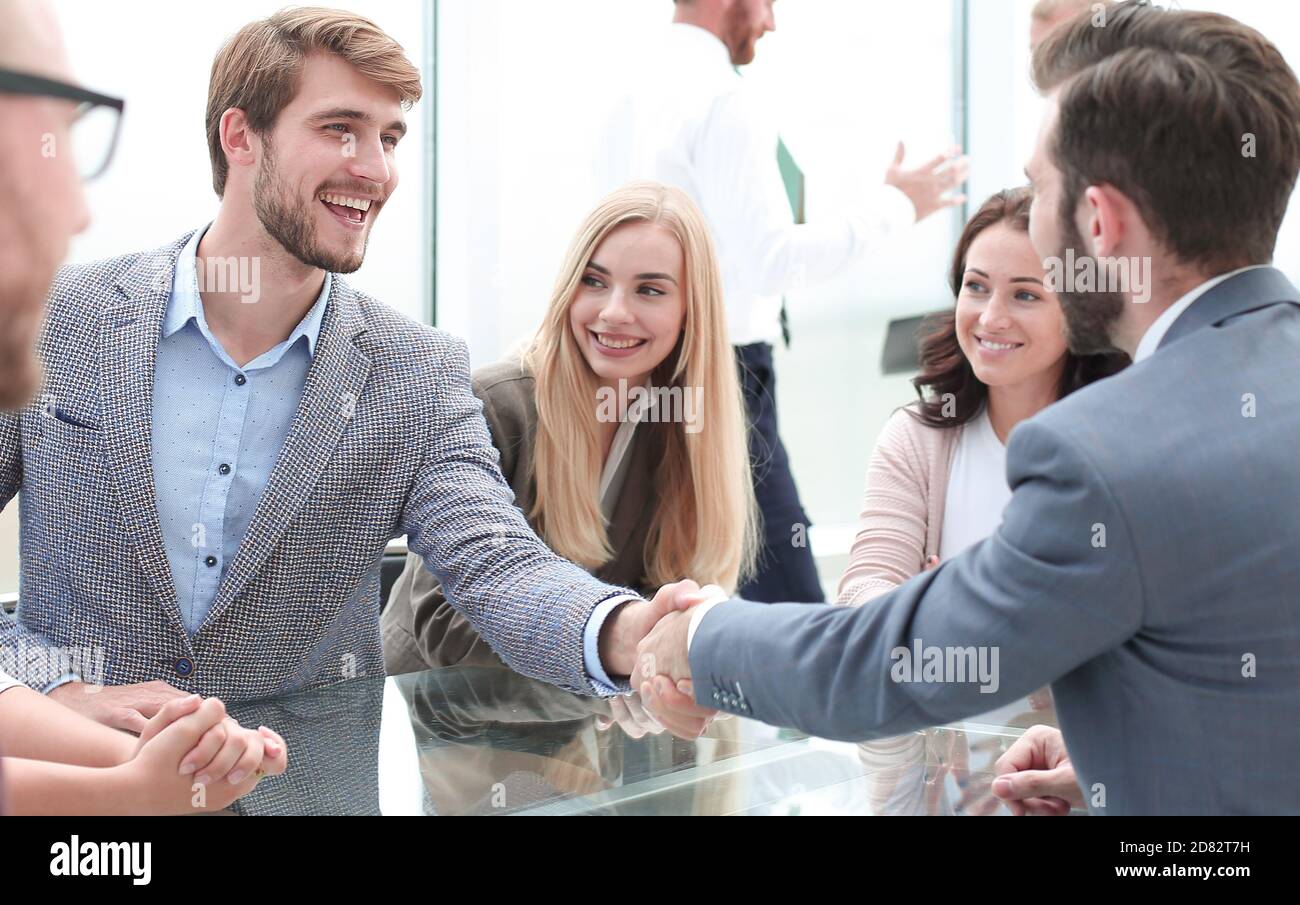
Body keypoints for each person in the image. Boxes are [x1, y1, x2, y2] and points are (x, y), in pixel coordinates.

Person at [634, 0, 1300, 815]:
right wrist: (1114, 758)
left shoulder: (1105, 452)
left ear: (1099, 221)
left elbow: (886, 666)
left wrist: (701, 635)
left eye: (1040, 186)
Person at [0, 7, 701, 734]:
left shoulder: (418, 372)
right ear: (240, 136)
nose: (375, 169)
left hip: (302, 793)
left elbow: (499, 565)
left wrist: (628, 630)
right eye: (341, 129)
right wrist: (58, 693)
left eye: (388, 138)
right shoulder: (61, 319)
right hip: (84, 799)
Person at [0, 0, 285, 815]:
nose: (80, 209)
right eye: (58, 125)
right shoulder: (76, 318)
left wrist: (148, 775)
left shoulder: (411, 367)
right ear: (241, 139)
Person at [597, 0, 968, 603]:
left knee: (656, 566)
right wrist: (896, 206)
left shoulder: (628, 93)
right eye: (767, 3)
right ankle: (818, 696)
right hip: (724, 370)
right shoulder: (723, 99)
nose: (771, 23)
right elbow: (771, 261)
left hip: (634, 361)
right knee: (784, 576)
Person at [383, 182, 757, 691]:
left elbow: (669, 593)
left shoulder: (674, 427)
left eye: (650, 289)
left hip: (579, 745)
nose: (614, 312)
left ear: (693, 310)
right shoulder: (497, 404)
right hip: (437, 726)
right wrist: (618, 657)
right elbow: (441, 623)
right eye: (594, 281)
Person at [838, 185, 1126, 813]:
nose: (991, 316)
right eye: (975, 286)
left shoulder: (1121, 449)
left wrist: (939, 615)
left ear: (1078, 310)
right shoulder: (919, 436)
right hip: (928, 788)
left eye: (1026, 293)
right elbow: (863, 601)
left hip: (1066, 787)